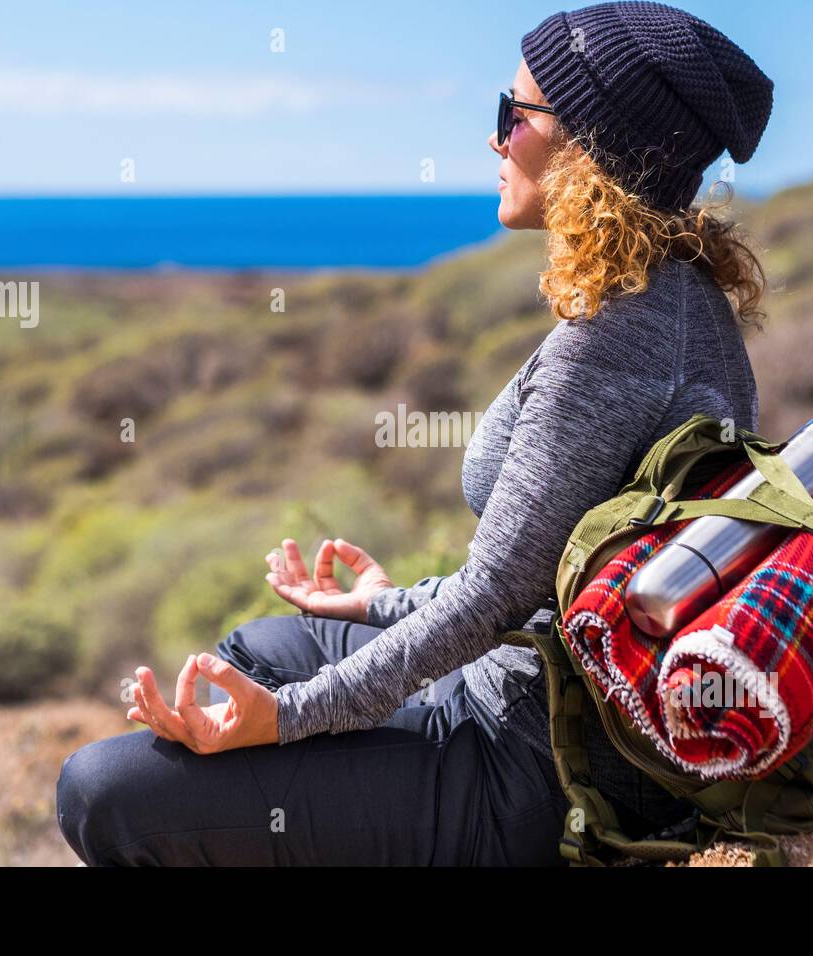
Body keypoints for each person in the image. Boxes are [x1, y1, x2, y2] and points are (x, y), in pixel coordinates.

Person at [57, 1, 775, 866]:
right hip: (546, 699)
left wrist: (286, 720)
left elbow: (495, 603)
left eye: (514, 114)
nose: (495, 138)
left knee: (100, 793)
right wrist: (375, 605)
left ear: (588, 147)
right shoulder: (681, 300)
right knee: (261, 647)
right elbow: (551, 579)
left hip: (532, 763)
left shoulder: (618, 338)